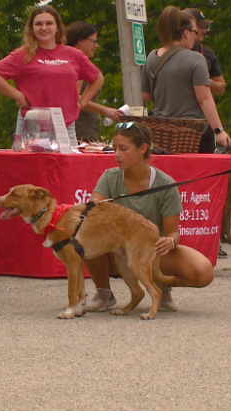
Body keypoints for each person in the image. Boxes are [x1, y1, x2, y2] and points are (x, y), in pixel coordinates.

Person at [85, 122, 215, 313]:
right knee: (84, 235)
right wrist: (94, 208)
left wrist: (170, 241)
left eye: (123, 149)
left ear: (142, 149)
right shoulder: (110, 177)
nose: (116, 155)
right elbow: (92, 211)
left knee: (204, 272)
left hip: (152, 252)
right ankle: (103, 293)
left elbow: (173, 233)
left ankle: (161, 286)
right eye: (114, 149)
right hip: (118, 251)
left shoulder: (165, 183)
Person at [0, 6, 119, 147]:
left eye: (49, 23)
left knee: (68, 167)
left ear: (57, 27)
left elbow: (98, 78)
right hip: (34, 127)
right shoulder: (24, 54)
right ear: (32, 28)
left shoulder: (73, 54)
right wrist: (18, 95)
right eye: (38, 24)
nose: (44, 28)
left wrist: (81, 103)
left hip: (66, 127)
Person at [142, 6, 231, 152]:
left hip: (162, 135)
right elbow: (204, 99)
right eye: (194, 32)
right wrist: (219, 131)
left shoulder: (152, 56)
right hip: (192, 135)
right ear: (186, 33)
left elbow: (146, 95)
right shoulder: (196, 59)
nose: (196, 36)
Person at [66, 21, 105, 142]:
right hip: (81, 134)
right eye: (94, 41)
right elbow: (75, 98)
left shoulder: (72, 62)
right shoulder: (76, 64)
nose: (96, 45)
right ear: (80, 41)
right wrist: (106, 110)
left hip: (85, 132)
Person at [182, 8, 227, 96]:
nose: (205, 31)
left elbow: (221, 88)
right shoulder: (171, 52)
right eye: (201, 27)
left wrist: (206, 81)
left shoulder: (207, 52)